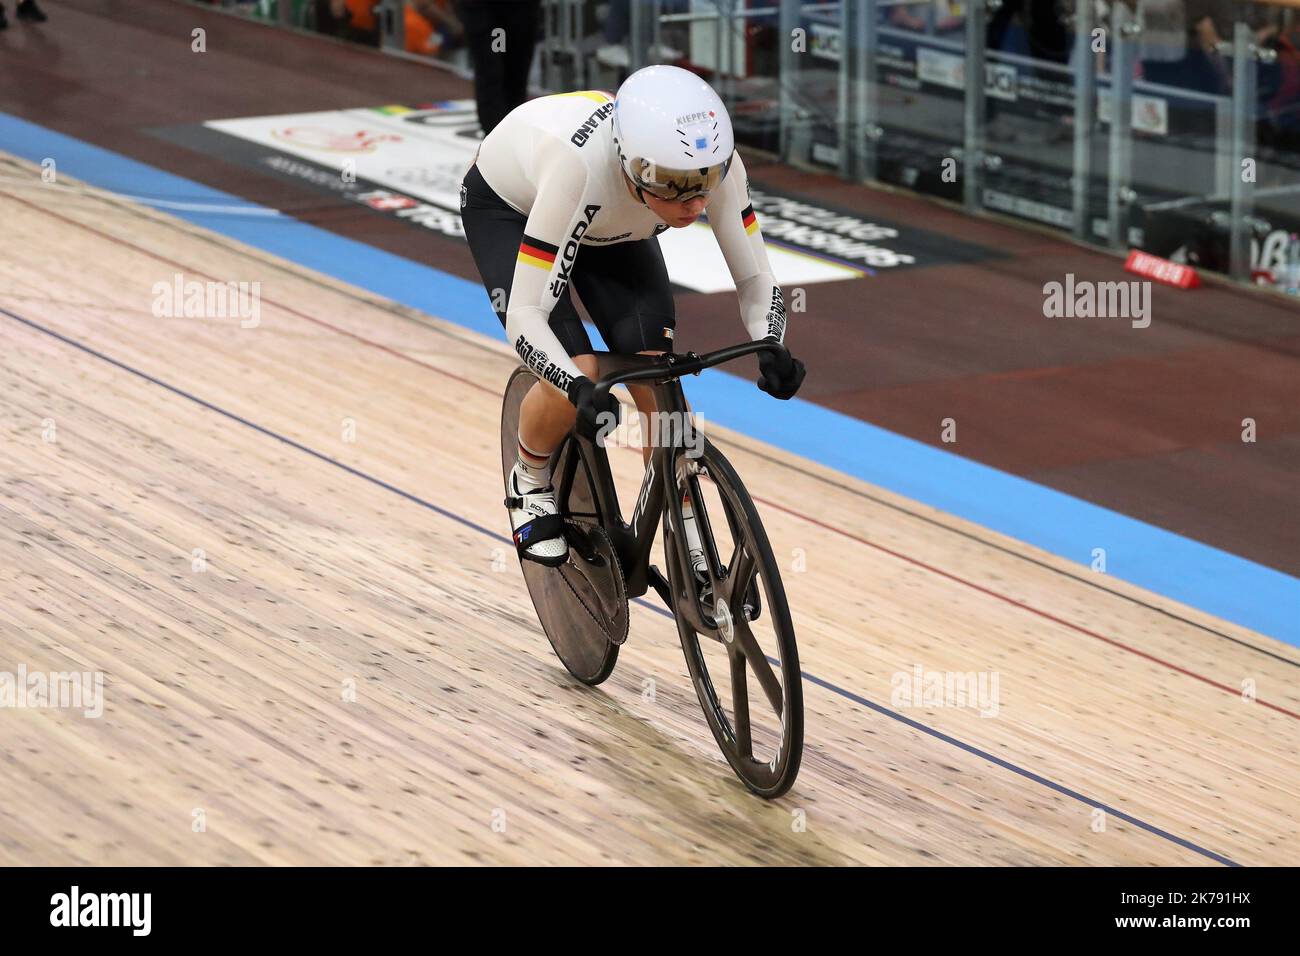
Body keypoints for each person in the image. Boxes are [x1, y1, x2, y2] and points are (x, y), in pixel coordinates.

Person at [459, 66, 805, 567]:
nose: (694, 204)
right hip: (515, 209)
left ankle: (683, 516)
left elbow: (755, 278)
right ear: (631, 162)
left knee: (657, 372)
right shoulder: (574, 168)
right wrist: (577, 390)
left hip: (614, 224)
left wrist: (772, 341)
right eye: (674, 186)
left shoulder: (716, 165)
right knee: (579, 370)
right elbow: (526, 315)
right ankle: (529, 477)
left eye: (704, 184)